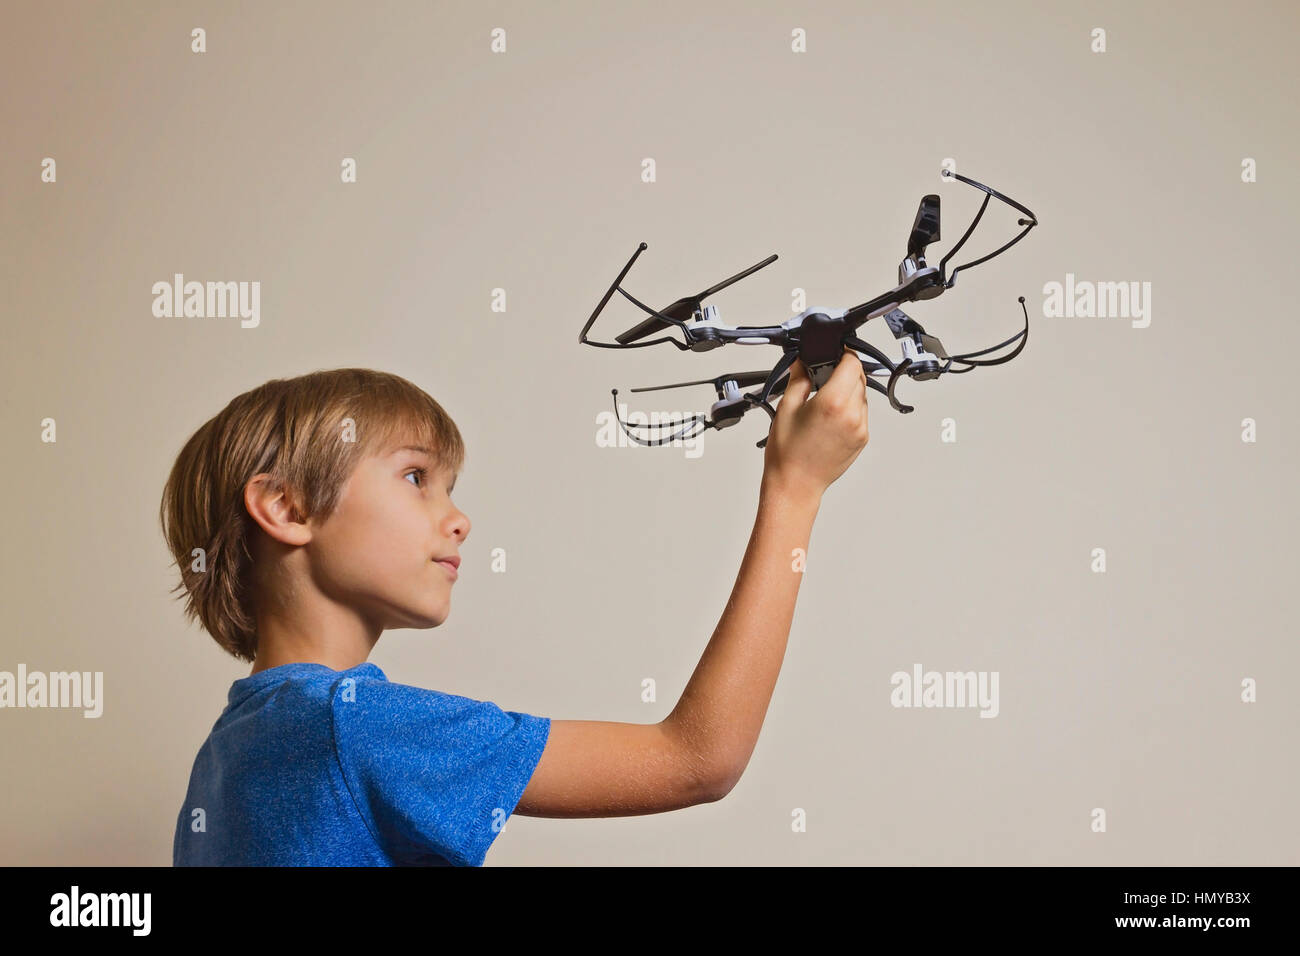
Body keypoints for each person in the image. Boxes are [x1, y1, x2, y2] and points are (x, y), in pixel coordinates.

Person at [164, 351, 870, 865]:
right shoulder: (354, 724)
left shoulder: (226, 755)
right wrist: (795, 489)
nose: (459, 518)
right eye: (416, 477)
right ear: (286, 507)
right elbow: (698, 757)